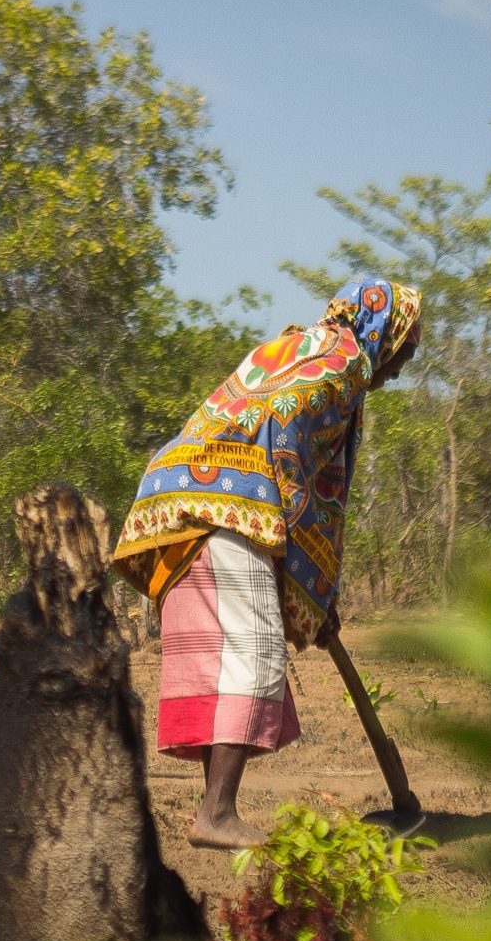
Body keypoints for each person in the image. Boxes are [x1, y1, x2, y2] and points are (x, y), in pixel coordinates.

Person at [111, 278, 422, 848]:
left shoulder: (307, 346)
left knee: (218, 656)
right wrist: (310, 586)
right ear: (383, 332)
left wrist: (311, 591)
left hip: (180, 497)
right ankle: (217, 814)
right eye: (404, 348)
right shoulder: (343, 362)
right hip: (233, 501)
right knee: (254, 654)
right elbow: (287, 452)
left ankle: (215, 812)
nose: (400, 366)